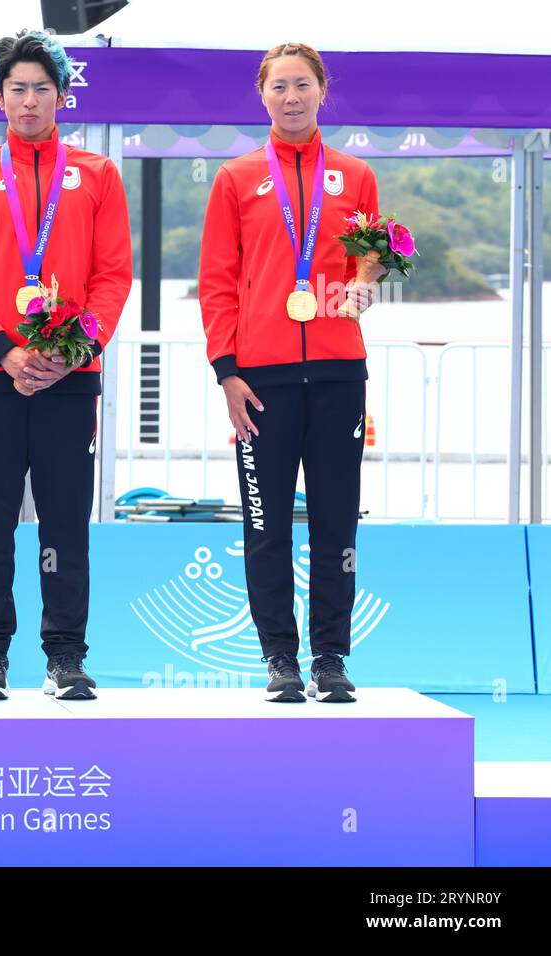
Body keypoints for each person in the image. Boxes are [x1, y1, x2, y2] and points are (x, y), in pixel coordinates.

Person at [0, 30, 132, 701]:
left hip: (69, 383)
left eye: (41, 88)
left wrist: (73, 351)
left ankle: (66, 658)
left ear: (62, 96)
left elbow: (112, 278)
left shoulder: (98, 175)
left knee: (65, 522)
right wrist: (6, 350)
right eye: (16, 88)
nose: (28, 100)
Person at [198, 42, 379, 704]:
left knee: (337, 523)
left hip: (338, 373)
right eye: (280, 86)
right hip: (261, 381)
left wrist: (366, 281)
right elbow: (216, 282)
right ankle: (280, 658)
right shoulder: (237, 178)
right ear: (262, 94)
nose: (292, 96)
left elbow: (368, 257)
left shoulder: (354, 175)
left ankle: (330, 657)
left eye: (303, 84)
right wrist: (226, 371)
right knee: (265, 525)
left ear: (323, 91)